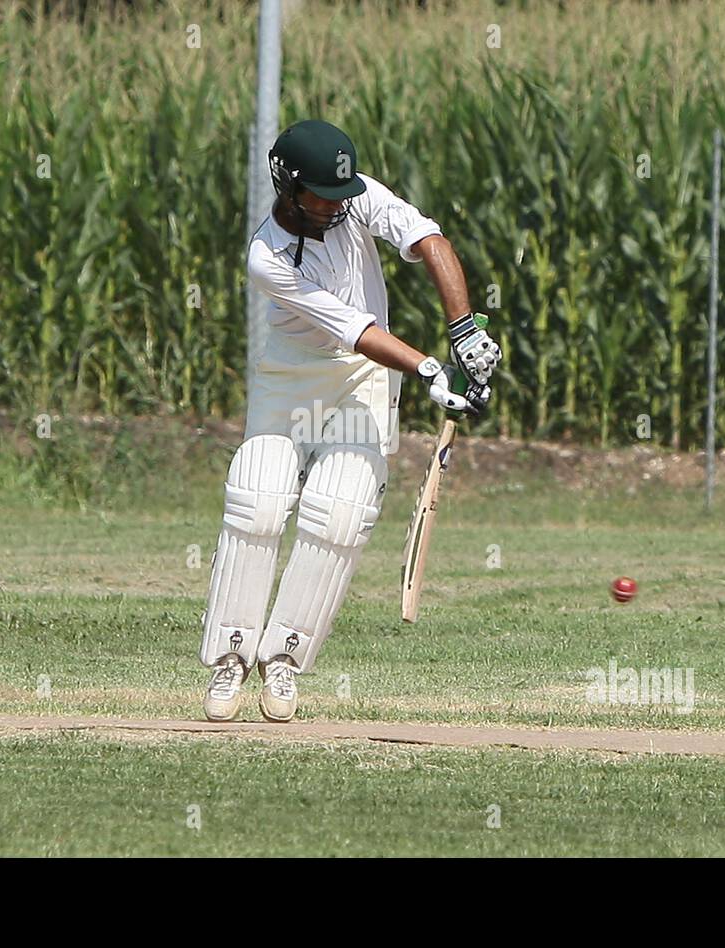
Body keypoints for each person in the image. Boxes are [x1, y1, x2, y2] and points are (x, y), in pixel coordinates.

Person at [198, 119, 501, 722]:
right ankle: (232, 653)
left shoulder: (355, 195)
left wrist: (465, 331)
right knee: (259, 495)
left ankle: (283, 658)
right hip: (292, 376)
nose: (336, 207)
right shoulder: (267, 256)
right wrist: (429, 372)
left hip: (365, 380)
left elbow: (430, 241)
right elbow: (354, 330)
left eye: (342, 195)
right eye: (320, 197)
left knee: (341, 512)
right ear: (286, 186)